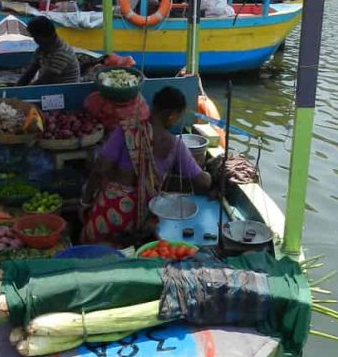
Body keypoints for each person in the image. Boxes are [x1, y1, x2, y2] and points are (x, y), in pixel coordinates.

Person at [80, 87, 212, 245]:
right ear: (172, 115)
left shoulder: (126, 130)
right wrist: (212, 174)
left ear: (153, 107)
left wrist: (85, 201)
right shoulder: (175, 145)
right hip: (144, 217)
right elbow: (203, 181)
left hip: (111, 209)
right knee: (130, 254)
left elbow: (101, 168)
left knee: (93, 253)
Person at [17, 16, 81, 86]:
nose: (35, 40)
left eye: (36, 37)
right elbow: (31, 71)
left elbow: (45, 80)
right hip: (50, 86)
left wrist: (24, 90)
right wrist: (17, 87)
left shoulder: (62, 53)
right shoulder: (43, 48)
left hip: (64, 89)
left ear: (47, 36)